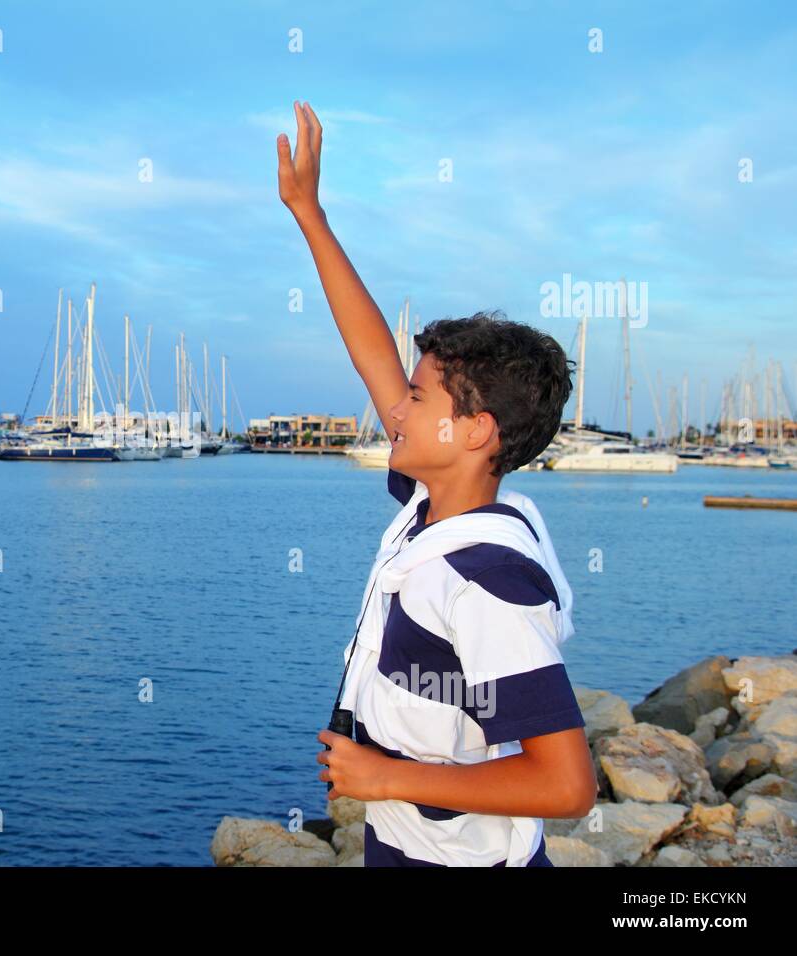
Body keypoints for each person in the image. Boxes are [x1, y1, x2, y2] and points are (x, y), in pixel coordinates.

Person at [279, 101, 596, 866]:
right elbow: (371, 353)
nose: (395, 406)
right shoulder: (436, 510)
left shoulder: (485, 580)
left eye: (419, 399)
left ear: (476, 432)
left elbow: (567, 786)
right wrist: (308, 213)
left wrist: (385, 776)